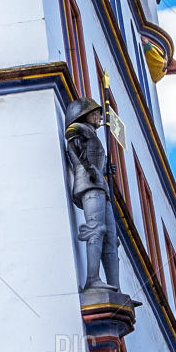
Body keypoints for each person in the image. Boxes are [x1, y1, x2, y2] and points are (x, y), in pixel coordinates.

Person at [64, 96, 120, 290]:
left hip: (98, 183)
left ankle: (115, 287)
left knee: (111, 237)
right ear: (84, 114)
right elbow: (76, 149)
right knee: (96, 229)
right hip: (89, 182)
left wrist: (105, 169)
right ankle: (92, 279)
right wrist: (89, 168)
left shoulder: (92, 135)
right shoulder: (78, 129)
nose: (99, 116)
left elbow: (94, 159)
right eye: (95, 113)